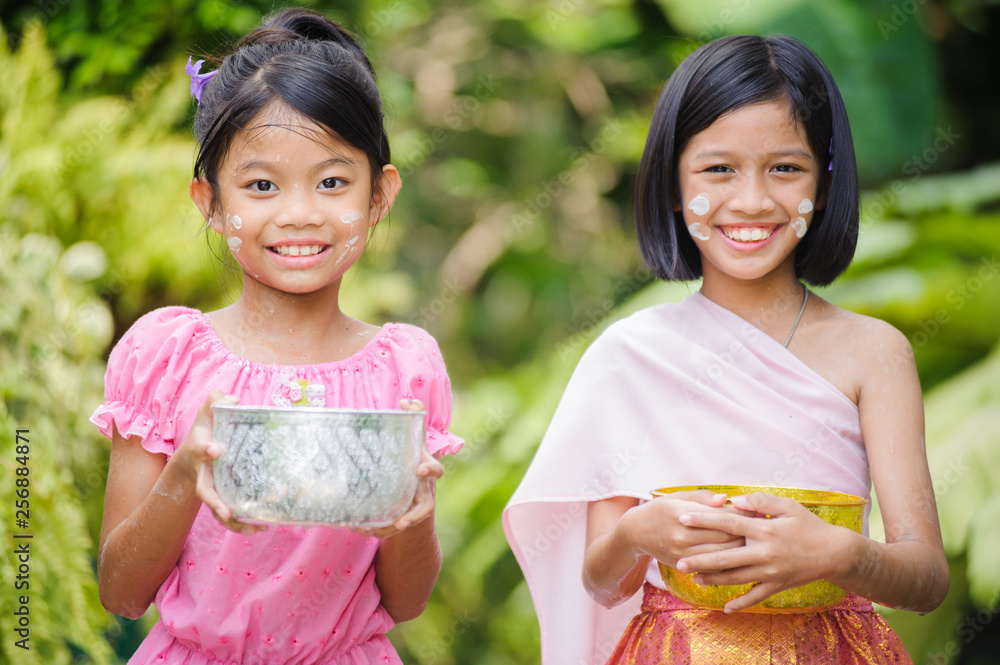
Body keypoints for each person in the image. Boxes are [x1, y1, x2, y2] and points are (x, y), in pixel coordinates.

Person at [503, 34, 948, 664]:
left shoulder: (873, 352)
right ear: (674, 183)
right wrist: (636, 532)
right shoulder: (629, 355)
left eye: (785, 169)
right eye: (719, 169)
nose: (752, 201)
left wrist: (841, 554)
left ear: (824, 182)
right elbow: (602, 581)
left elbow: (926, 577)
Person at [90, 9, 463, 664]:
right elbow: (120, 592)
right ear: (209, 201)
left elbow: (406, 602)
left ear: (380, 194)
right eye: (261, 184)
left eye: (332, 182)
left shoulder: (404, 369)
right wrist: (184, 475)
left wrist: (415, 511)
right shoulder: (166, 356)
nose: (299, 213)